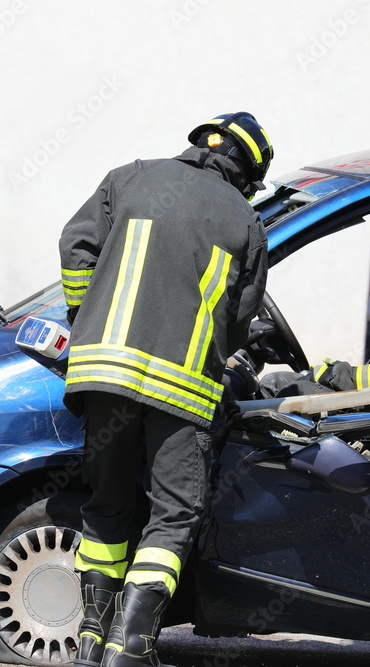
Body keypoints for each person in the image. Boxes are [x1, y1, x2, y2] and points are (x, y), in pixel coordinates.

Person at [59, 112, 271, 667]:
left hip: (102, 374)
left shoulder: (128, 177)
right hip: (180, 391)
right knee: (174, 514)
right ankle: (130, 648)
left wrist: (87, 316)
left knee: (106, 504)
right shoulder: (244, 219)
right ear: (246, 170)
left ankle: (88, 640)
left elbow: (75, 245)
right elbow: (241, 318)